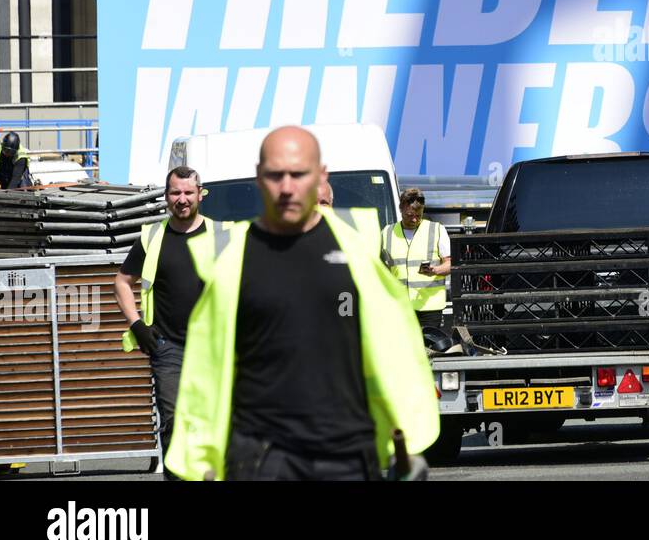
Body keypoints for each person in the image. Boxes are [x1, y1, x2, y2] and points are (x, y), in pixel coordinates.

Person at [165, 126, 437, 481]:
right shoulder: (231, 259)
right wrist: (198, 458)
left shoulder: (356, 252)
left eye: (299, 174)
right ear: (260, 177)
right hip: (261, 458)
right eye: (276, 175)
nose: (288, 186)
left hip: (347, 454)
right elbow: (206, 367)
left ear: (321, 176)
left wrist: (409, 442)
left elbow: (393, 348)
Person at [113, 166, 212, 477]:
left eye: (187, 192)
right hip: (168, 349)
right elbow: (121, 282)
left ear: (199, 194)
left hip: (213, 348)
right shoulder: (152, 237)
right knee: (172, 422)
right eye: (175, 193)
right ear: (167, 197)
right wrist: (136, 324)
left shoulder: (221, 235)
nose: (181, 199)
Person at [383, 188, 452, 335]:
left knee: (429, 351)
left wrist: (436, 270)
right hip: (399, 307)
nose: (414, 219)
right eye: (410, 215)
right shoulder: (386, 233)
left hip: (430, 307)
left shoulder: (437, 229)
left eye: (418, 215)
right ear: (401, 208)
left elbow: (450, 263)